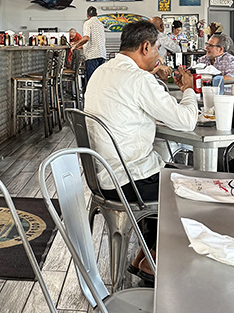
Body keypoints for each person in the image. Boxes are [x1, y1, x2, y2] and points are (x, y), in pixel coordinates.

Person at [84, 20, 197, 273]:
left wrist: (152, 76)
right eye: (157, 48)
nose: (158, 54)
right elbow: (186, 121)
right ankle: (152, 261)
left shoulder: (101, 71)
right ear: (145, 47)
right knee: (191, 186)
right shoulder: (138, 79)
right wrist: (189, 90)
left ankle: (144, 257)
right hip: (129, 181)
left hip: (103, 177)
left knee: (166, 172)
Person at [74, 6, 107, 81]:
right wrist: (82, 46)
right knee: (99, 80)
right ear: (97, 14)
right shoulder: (100, 24)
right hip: (102, 55)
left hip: (92, 56)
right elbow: (96, 40)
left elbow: (86, 38)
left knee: (91, 81)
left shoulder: (87, 23)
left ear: (87, 15)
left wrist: (75, 46)